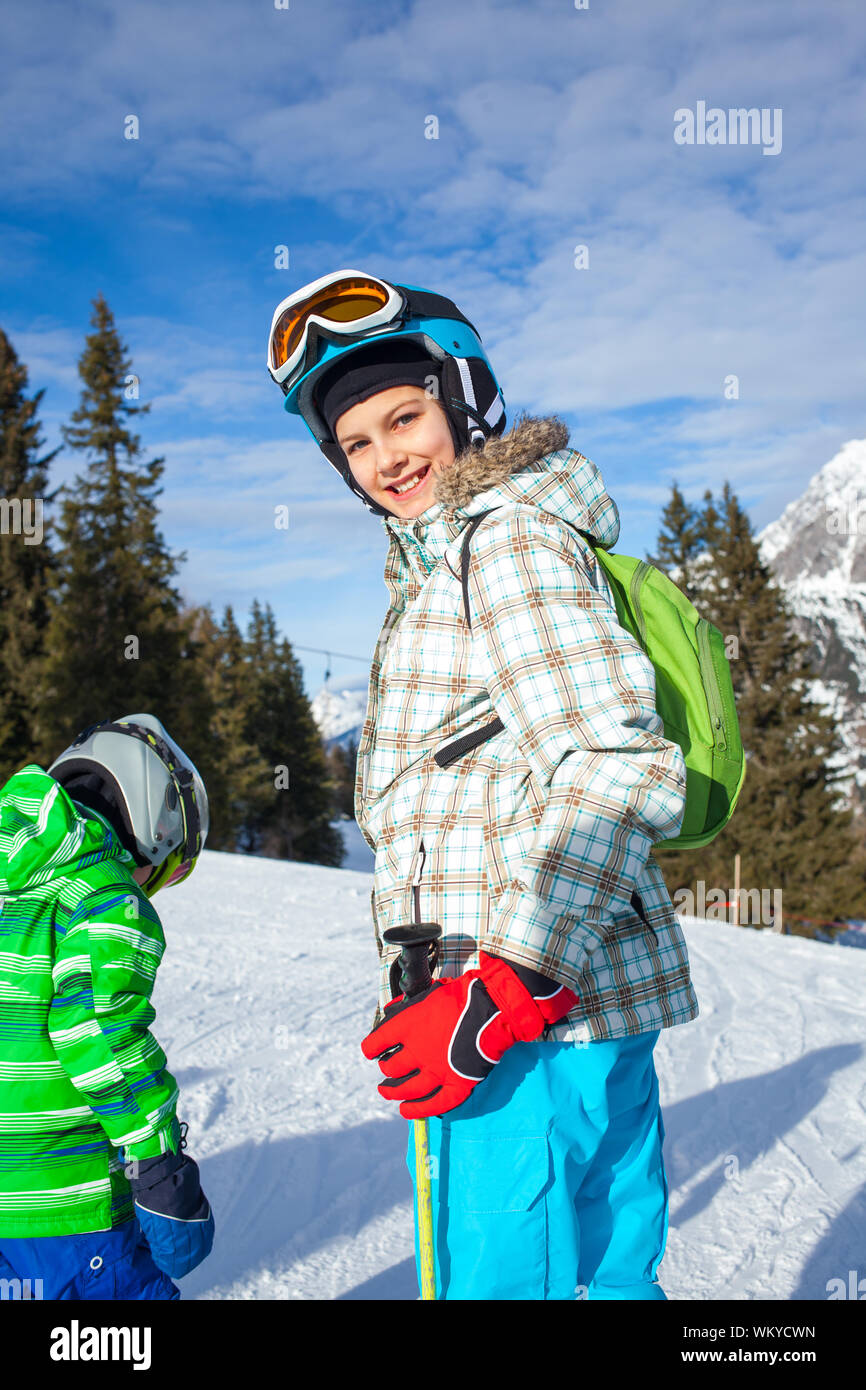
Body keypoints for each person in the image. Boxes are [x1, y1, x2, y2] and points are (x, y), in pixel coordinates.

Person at [268, 270, 700, 1300]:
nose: (385, 458)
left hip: (511, 1019)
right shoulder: (462, 554)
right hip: (561, 1007)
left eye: (404, 416)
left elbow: (614, 762)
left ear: (464, 398)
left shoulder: (498, 543)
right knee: (601, 1272)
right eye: (355, 443)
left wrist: (500, 987)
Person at [0, 714, 214, 1301]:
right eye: (157, 874)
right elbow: (97, 1029)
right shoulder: (103, 894)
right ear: (156, 827)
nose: (146, 888)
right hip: (64, 1216)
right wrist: (158, 1163)